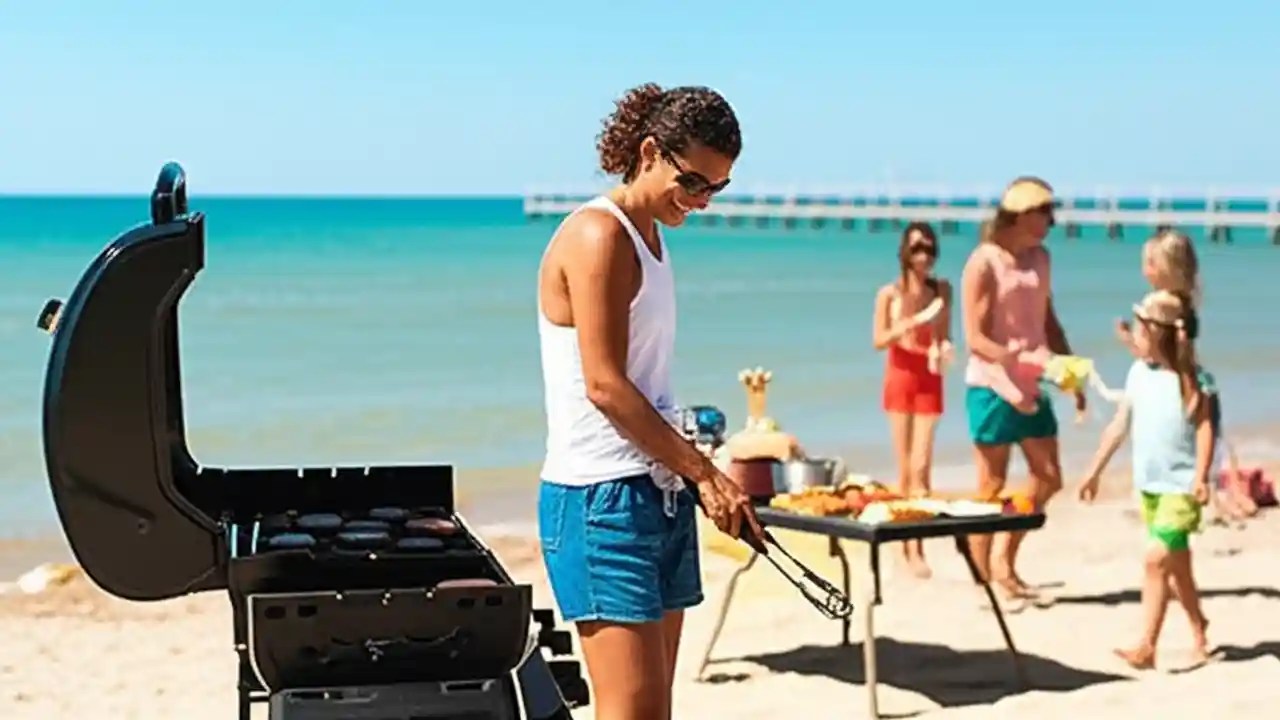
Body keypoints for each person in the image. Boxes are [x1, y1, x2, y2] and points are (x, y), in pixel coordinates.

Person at [535, 82, 764, 720]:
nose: (701, 202)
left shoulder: (651, 240)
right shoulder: (597, 237)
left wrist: (697, 471)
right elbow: (605, 385)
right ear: (647, 151)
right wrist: (706, 474)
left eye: (716, 188)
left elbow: (646, 385)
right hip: (598, 500)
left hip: (656, 494)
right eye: (692, 182)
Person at [960, 177, 1082, 609]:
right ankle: (982, 577)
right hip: (991, 385)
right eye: (1043, 212)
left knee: (1049, 477)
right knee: (991, 486)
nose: (1050, 221)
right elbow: (974, 338)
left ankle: (1005, 562)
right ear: (1019, 214)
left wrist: (1071, 371)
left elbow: (1048, 321)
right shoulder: (984, 262)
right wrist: (1010, 358)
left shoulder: (1041, 259)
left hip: (1034, 380)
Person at [1078, 290, 1213, 670]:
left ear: (1159, 333)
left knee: (1156, 560)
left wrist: (1201, 475)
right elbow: (1119, 426)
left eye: (1140, 326)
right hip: (1150, 487)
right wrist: (1093, 471)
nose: (1134, 333)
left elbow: (1204, 428)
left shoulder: (1190, 378)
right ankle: (1198, 628)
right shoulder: (1139, 374)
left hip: (1181, 488)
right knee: (1178, 568)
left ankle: (1146, 647)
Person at [872, 221, 952, 578]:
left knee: (922, 469)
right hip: (900, 377)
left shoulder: (942, 290)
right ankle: (906, 547)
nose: (924, 256)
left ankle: (916, 545)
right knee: (905, 469)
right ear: (905, 252)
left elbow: (944, 335)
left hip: (929, 378)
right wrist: (907, 324)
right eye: (917, 248)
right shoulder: (889, 294)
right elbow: (878, 340)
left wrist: (944, 348)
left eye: (930, 249)